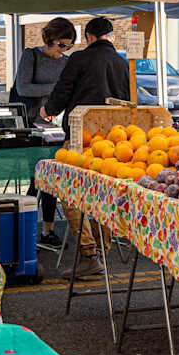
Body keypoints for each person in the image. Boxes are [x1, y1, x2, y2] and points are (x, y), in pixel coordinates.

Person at [41, 17, 130, 278]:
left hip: (81, 138)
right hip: (112, 142)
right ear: (110, 37)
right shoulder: (124, 64)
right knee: (103, 194)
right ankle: (103, 249)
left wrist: (47, 110)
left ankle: (89, 254)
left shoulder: (79, 59)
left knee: (70, 192)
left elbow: (62, 91)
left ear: (89, 36)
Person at [11, 17, 77, 248]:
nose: (64, 50)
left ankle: (44, 229)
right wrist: (59, 88)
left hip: (54, 127)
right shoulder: (31, 55)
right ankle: (28, 228)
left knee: (49, 178)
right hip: (30, 126)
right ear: (48, 39)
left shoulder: (67, 62)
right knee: (38, 178)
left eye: (68, 46)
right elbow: (23, 87)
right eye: (61, 44)